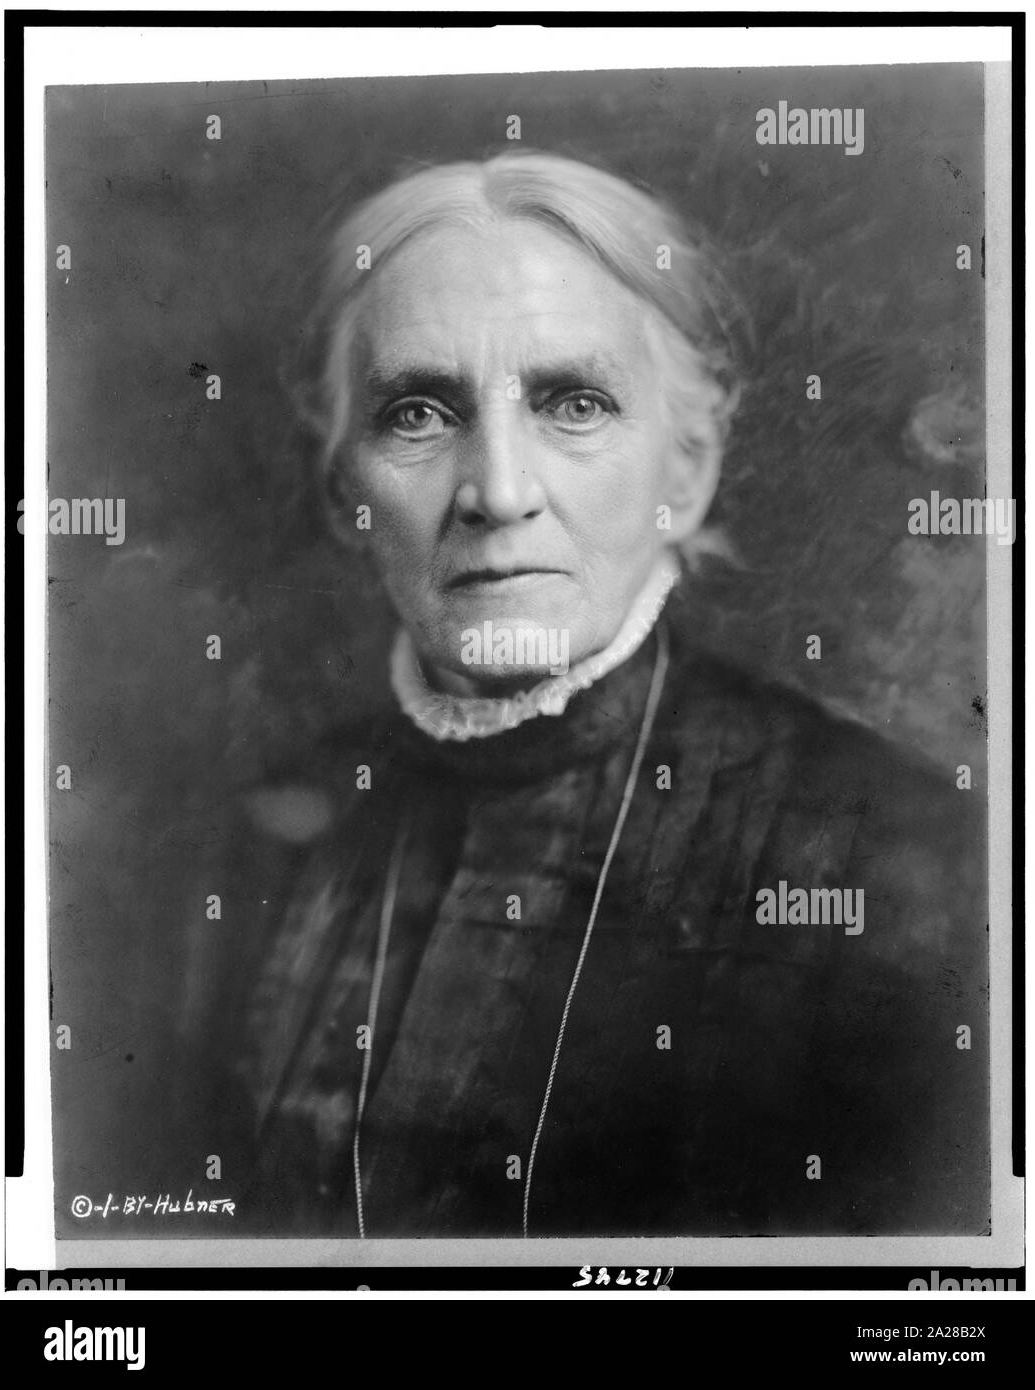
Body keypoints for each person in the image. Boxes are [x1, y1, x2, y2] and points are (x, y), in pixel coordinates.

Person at [180, 150, 988, 1238]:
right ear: (346, 492)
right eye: (418, 412)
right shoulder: (265, 837)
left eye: (574, 401)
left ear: (687, 468)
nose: (500, 492)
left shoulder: (909, 859)